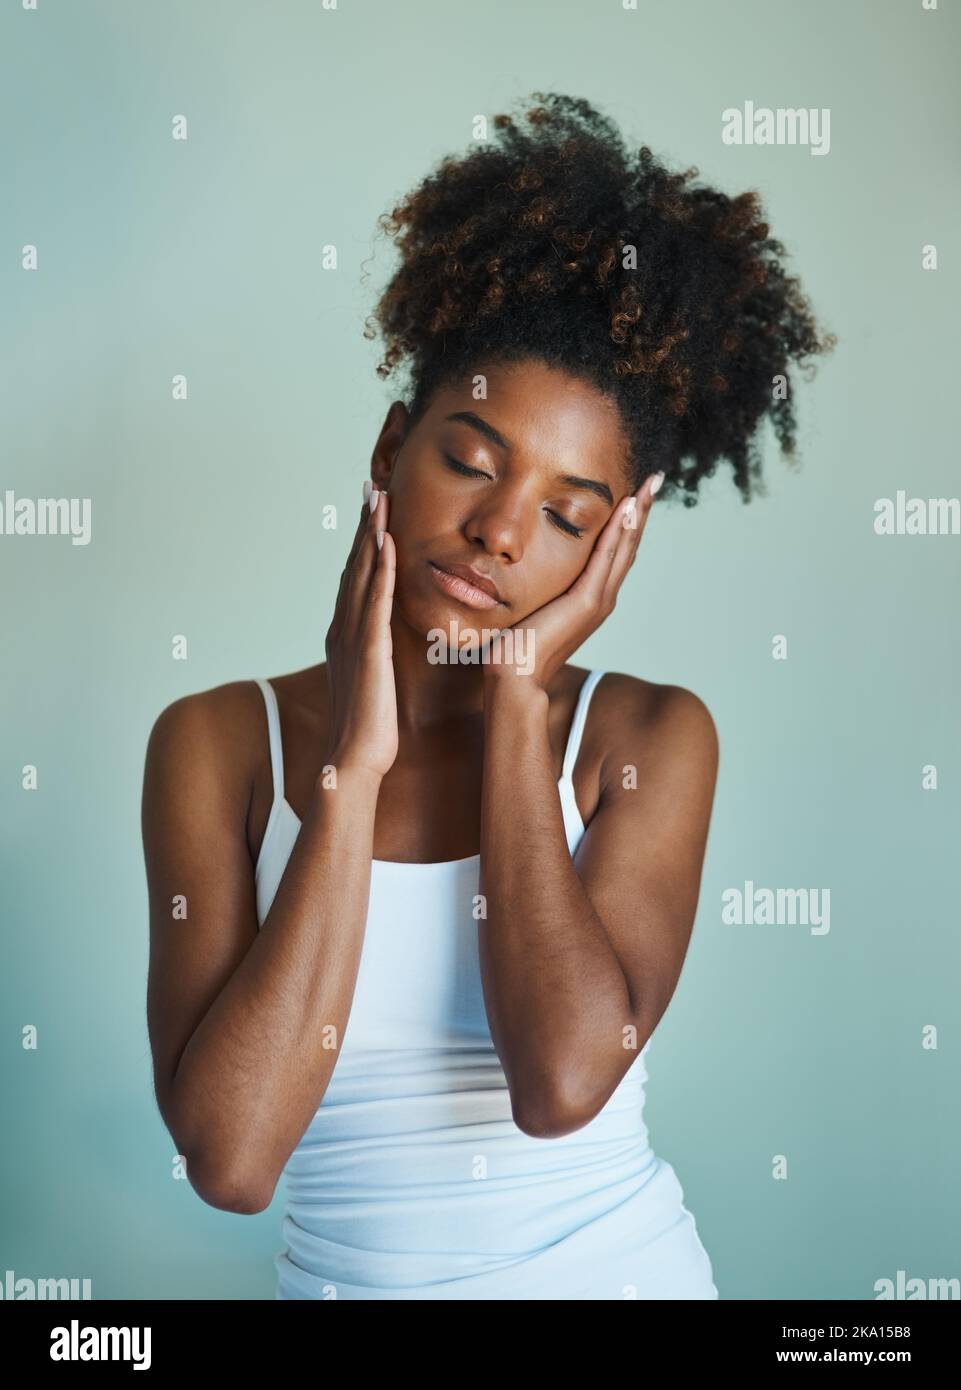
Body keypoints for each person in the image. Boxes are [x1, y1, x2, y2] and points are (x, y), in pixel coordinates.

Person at [142, 93, 834, 1299]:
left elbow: (562, 1083)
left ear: (611, 548)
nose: (502, 532)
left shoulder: (646, 737)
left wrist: (518, 706)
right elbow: (235, 1159)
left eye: (566, 514)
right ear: (388, 448)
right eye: (469, 458)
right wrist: (348, 778)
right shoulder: (218, 742)